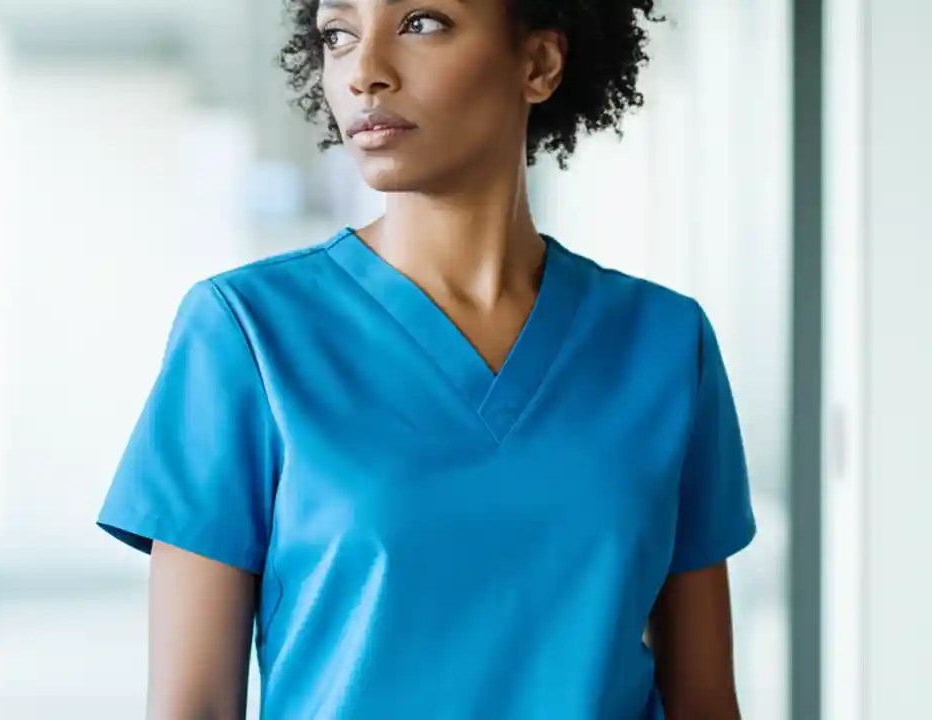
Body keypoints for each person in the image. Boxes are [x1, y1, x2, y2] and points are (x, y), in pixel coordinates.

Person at [96, 0, 757, 717]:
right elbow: (192, 706)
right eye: (338, 36)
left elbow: (705, 699)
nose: (364, 73)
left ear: (538, 64)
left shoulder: (663, 343)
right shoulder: (246, 333)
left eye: (421, 23)